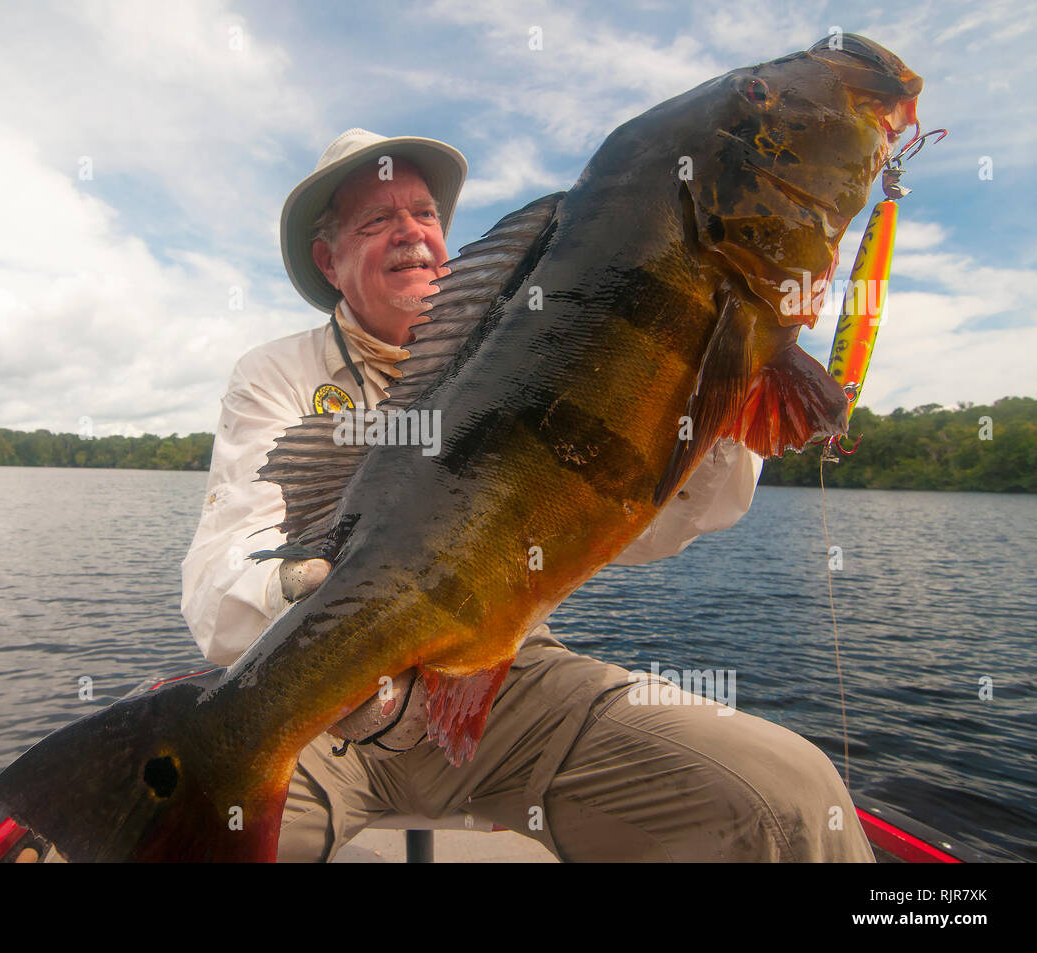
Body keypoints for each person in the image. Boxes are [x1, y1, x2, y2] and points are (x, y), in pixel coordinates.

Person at [180, 128, 875, 862]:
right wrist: (315, 592)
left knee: (790, 795)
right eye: (377, 220)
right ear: (329, 259)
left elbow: (656, 527)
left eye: (424, 214)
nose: (412, 233)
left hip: (510, 683)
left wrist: (734, 373)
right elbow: (220, 583)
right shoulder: (274, 375)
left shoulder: (537, 342)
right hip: (320, 720)